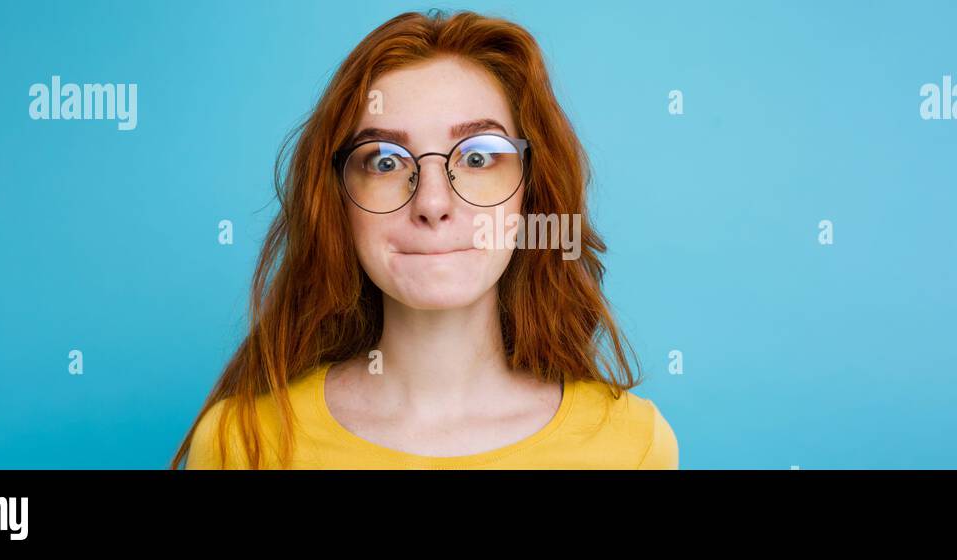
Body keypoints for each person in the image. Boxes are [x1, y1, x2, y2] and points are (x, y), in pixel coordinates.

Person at [172, 9, 677, 469]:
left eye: (478, 157)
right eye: (385, 161)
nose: (432, 204)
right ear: (338, 203)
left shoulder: (632, 445)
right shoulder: (242, 442)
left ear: (531, 195)